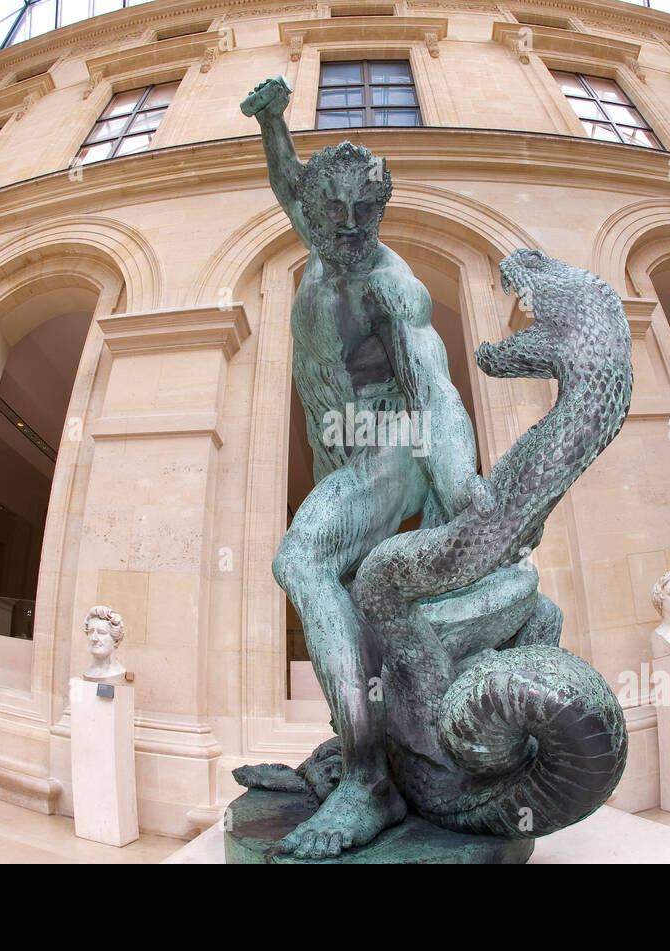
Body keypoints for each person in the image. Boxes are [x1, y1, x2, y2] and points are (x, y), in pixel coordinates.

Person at [241, 76, 494, 858]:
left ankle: (367, 782)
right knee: (349, 603)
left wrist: (464, 491)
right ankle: (369, 747)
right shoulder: (316, 229)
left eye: (366, 213)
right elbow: (287, 178)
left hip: (397, 447)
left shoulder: (390, 285)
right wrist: (275, 122)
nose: (351, 229)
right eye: (333, 213)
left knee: (302, 559)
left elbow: (438, 391)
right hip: (344, 460)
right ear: (312, 213)